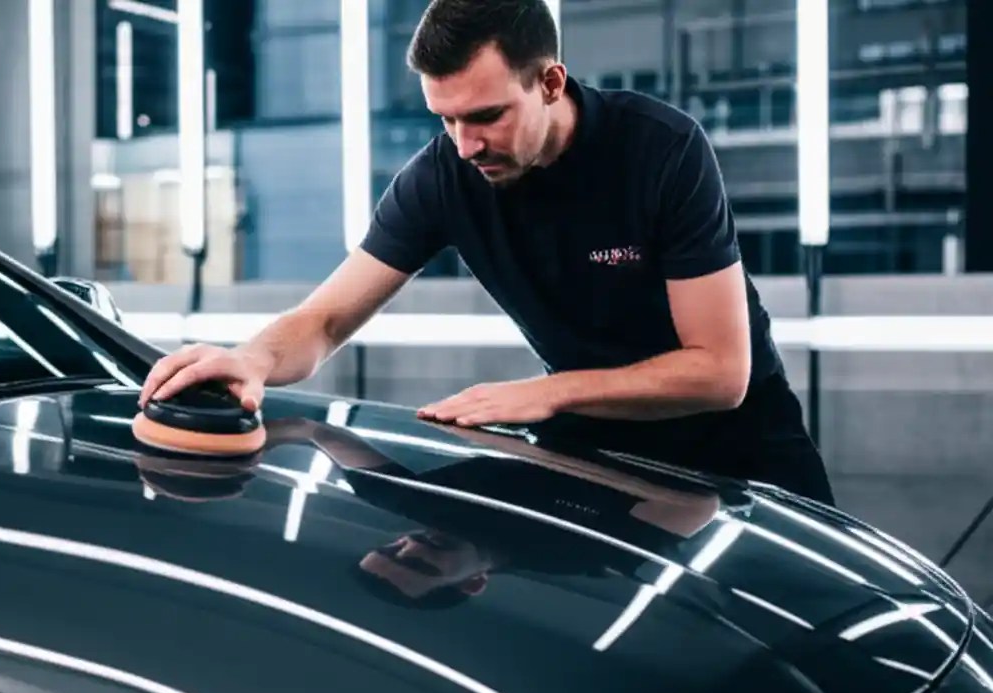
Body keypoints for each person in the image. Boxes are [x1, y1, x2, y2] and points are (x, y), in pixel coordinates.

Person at [139, 0, 833, 506]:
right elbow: (324, 320)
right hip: (596, 457)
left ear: (550, 83)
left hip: (745, 458)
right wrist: (255, 358)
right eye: (445, 118)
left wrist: (545, 393)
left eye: (486, 116)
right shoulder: (444, 175)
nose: (466, 144)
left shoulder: (662, 149)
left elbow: (719, 372)